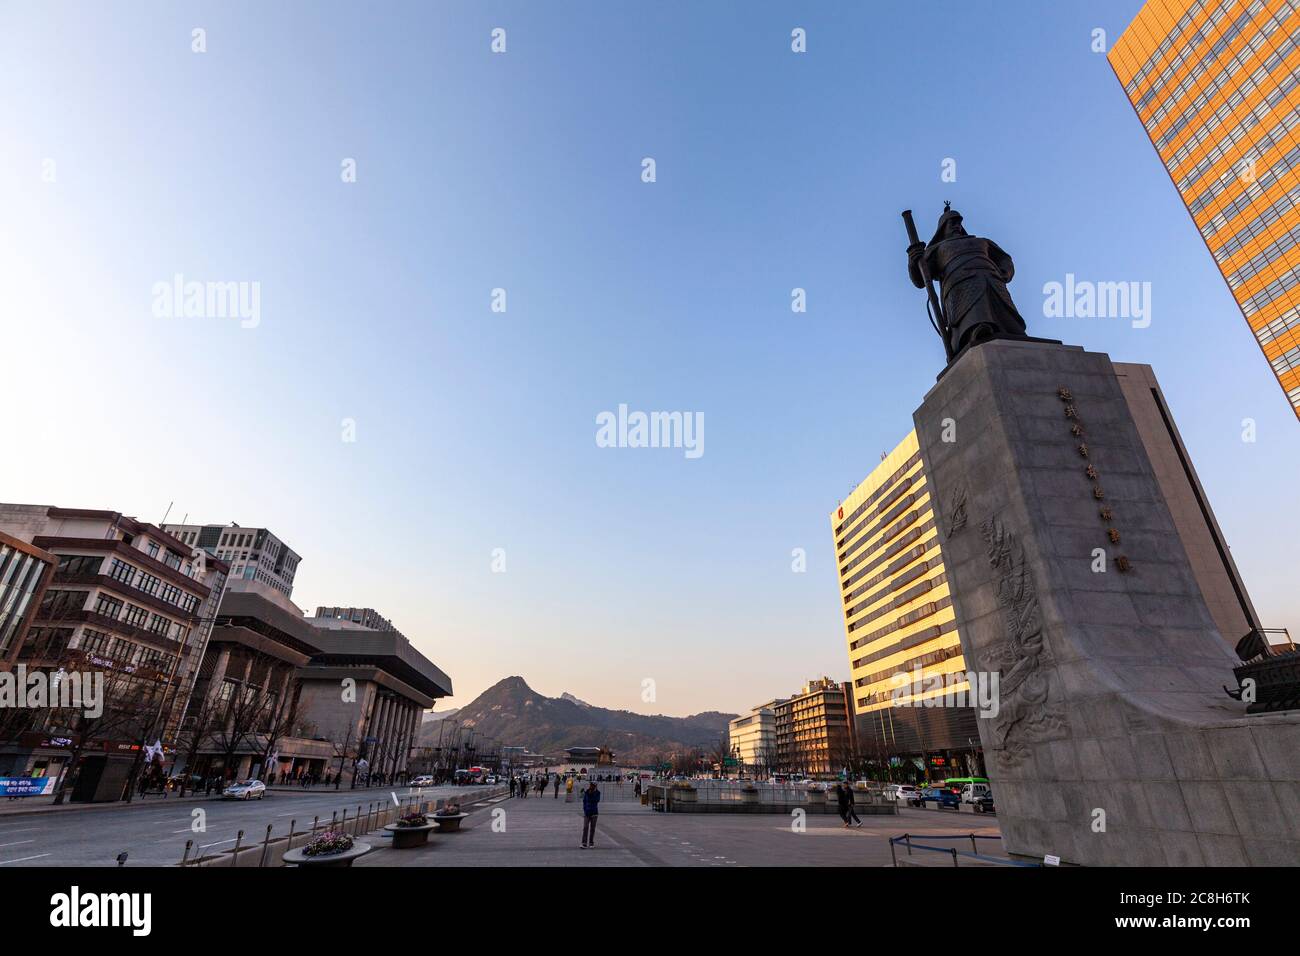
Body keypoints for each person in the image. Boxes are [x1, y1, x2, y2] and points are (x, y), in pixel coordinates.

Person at [581, 780, 601, 848]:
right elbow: (584, 801)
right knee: (585, 827)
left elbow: (596, 800)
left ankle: (591, 843)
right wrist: (585, 809)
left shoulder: (597, 793)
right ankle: (584, 843)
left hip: (594, 813)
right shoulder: (586, 792)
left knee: (592, 829)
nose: (590, 786)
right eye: (590, 785)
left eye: (592, 785)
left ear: (595, 786)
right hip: (587, 812)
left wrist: (593, 793)